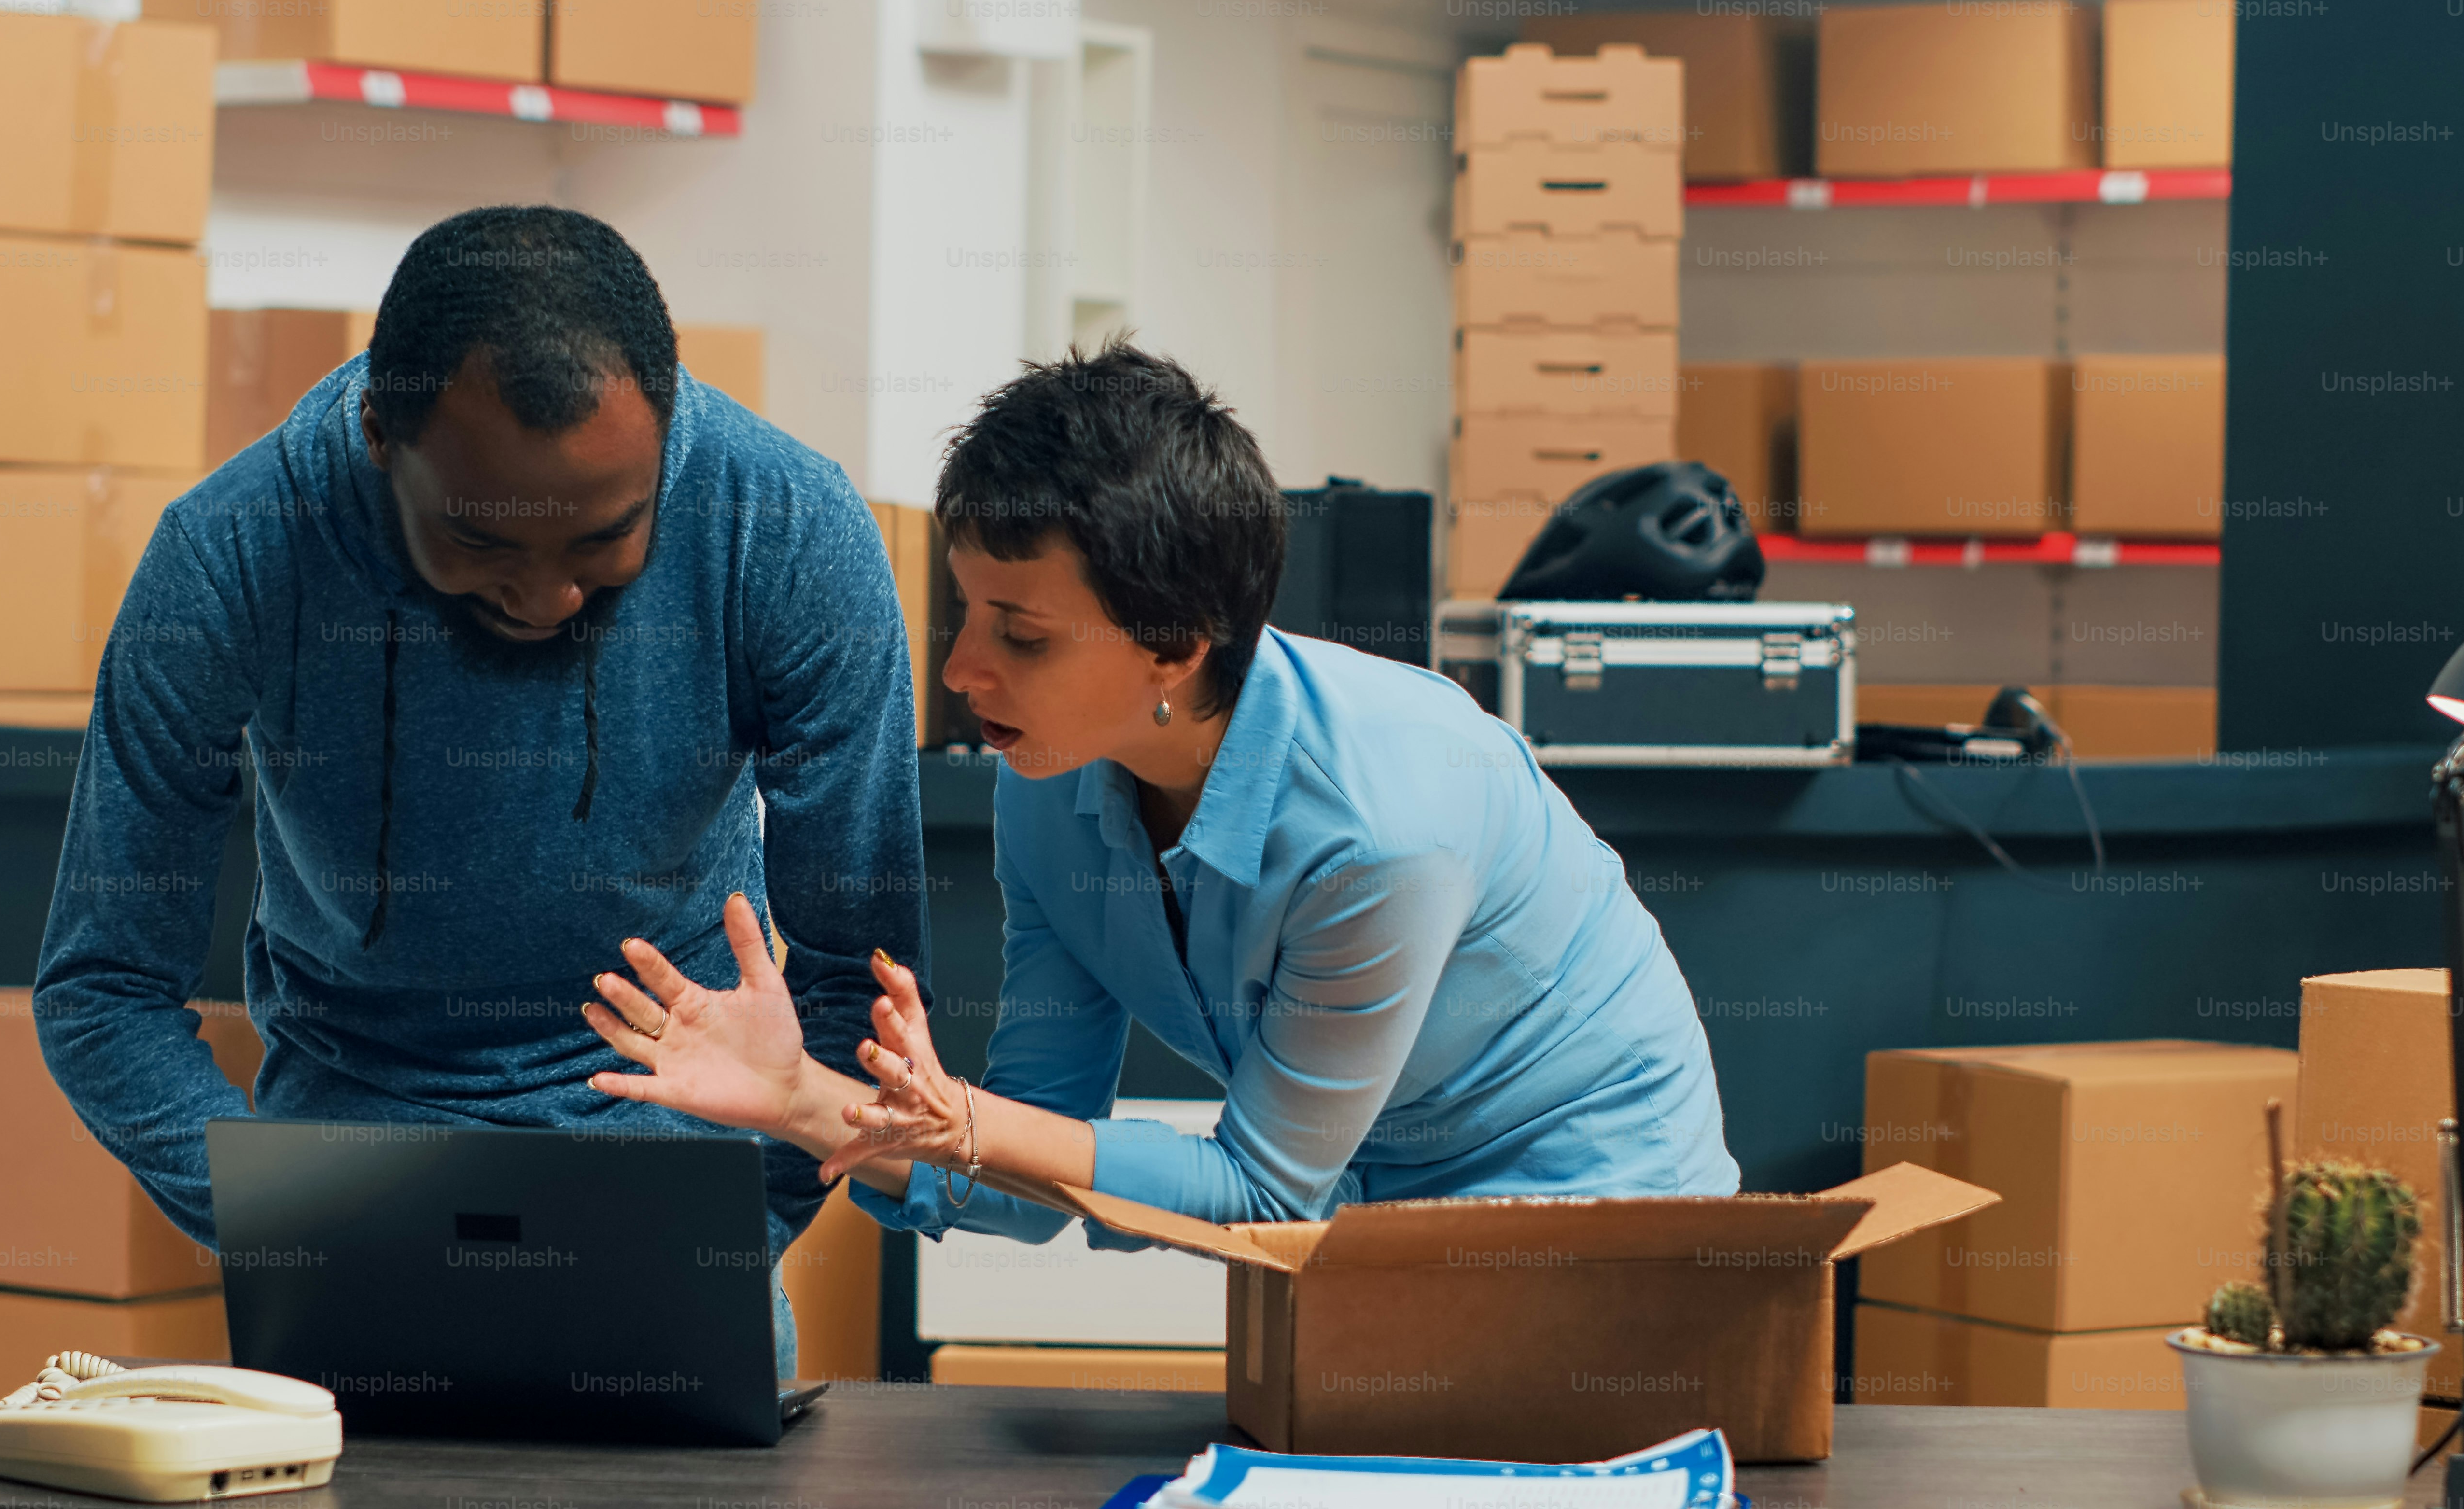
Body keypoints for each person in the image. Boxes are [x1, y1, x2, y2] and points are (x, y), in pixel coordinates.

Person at [579, 340, 1736, 1243]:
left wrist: (967, 1124)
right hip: (1378, 1216)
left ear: (1176, 645)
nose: (961, 670)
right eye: (968, 610)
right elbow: (1028, 1158)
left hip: (1604, 1213)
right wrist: (794, 1099)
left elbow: (1259, 1194)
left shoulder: (1381, 830)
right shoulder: (1051, 785)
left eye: (1022, 634)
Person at [35, 207, 929, 1374]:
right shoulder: (232, 552)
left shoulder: (789, 530)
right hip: (352, 1190)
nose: (547, 596)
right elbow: (103, 986)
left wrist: (724, 1236)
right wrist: (285, 1226)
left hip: (674, 1179)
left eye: (604, 540)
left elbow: (865, 986)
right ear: (379, 436)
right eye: (483, 542)